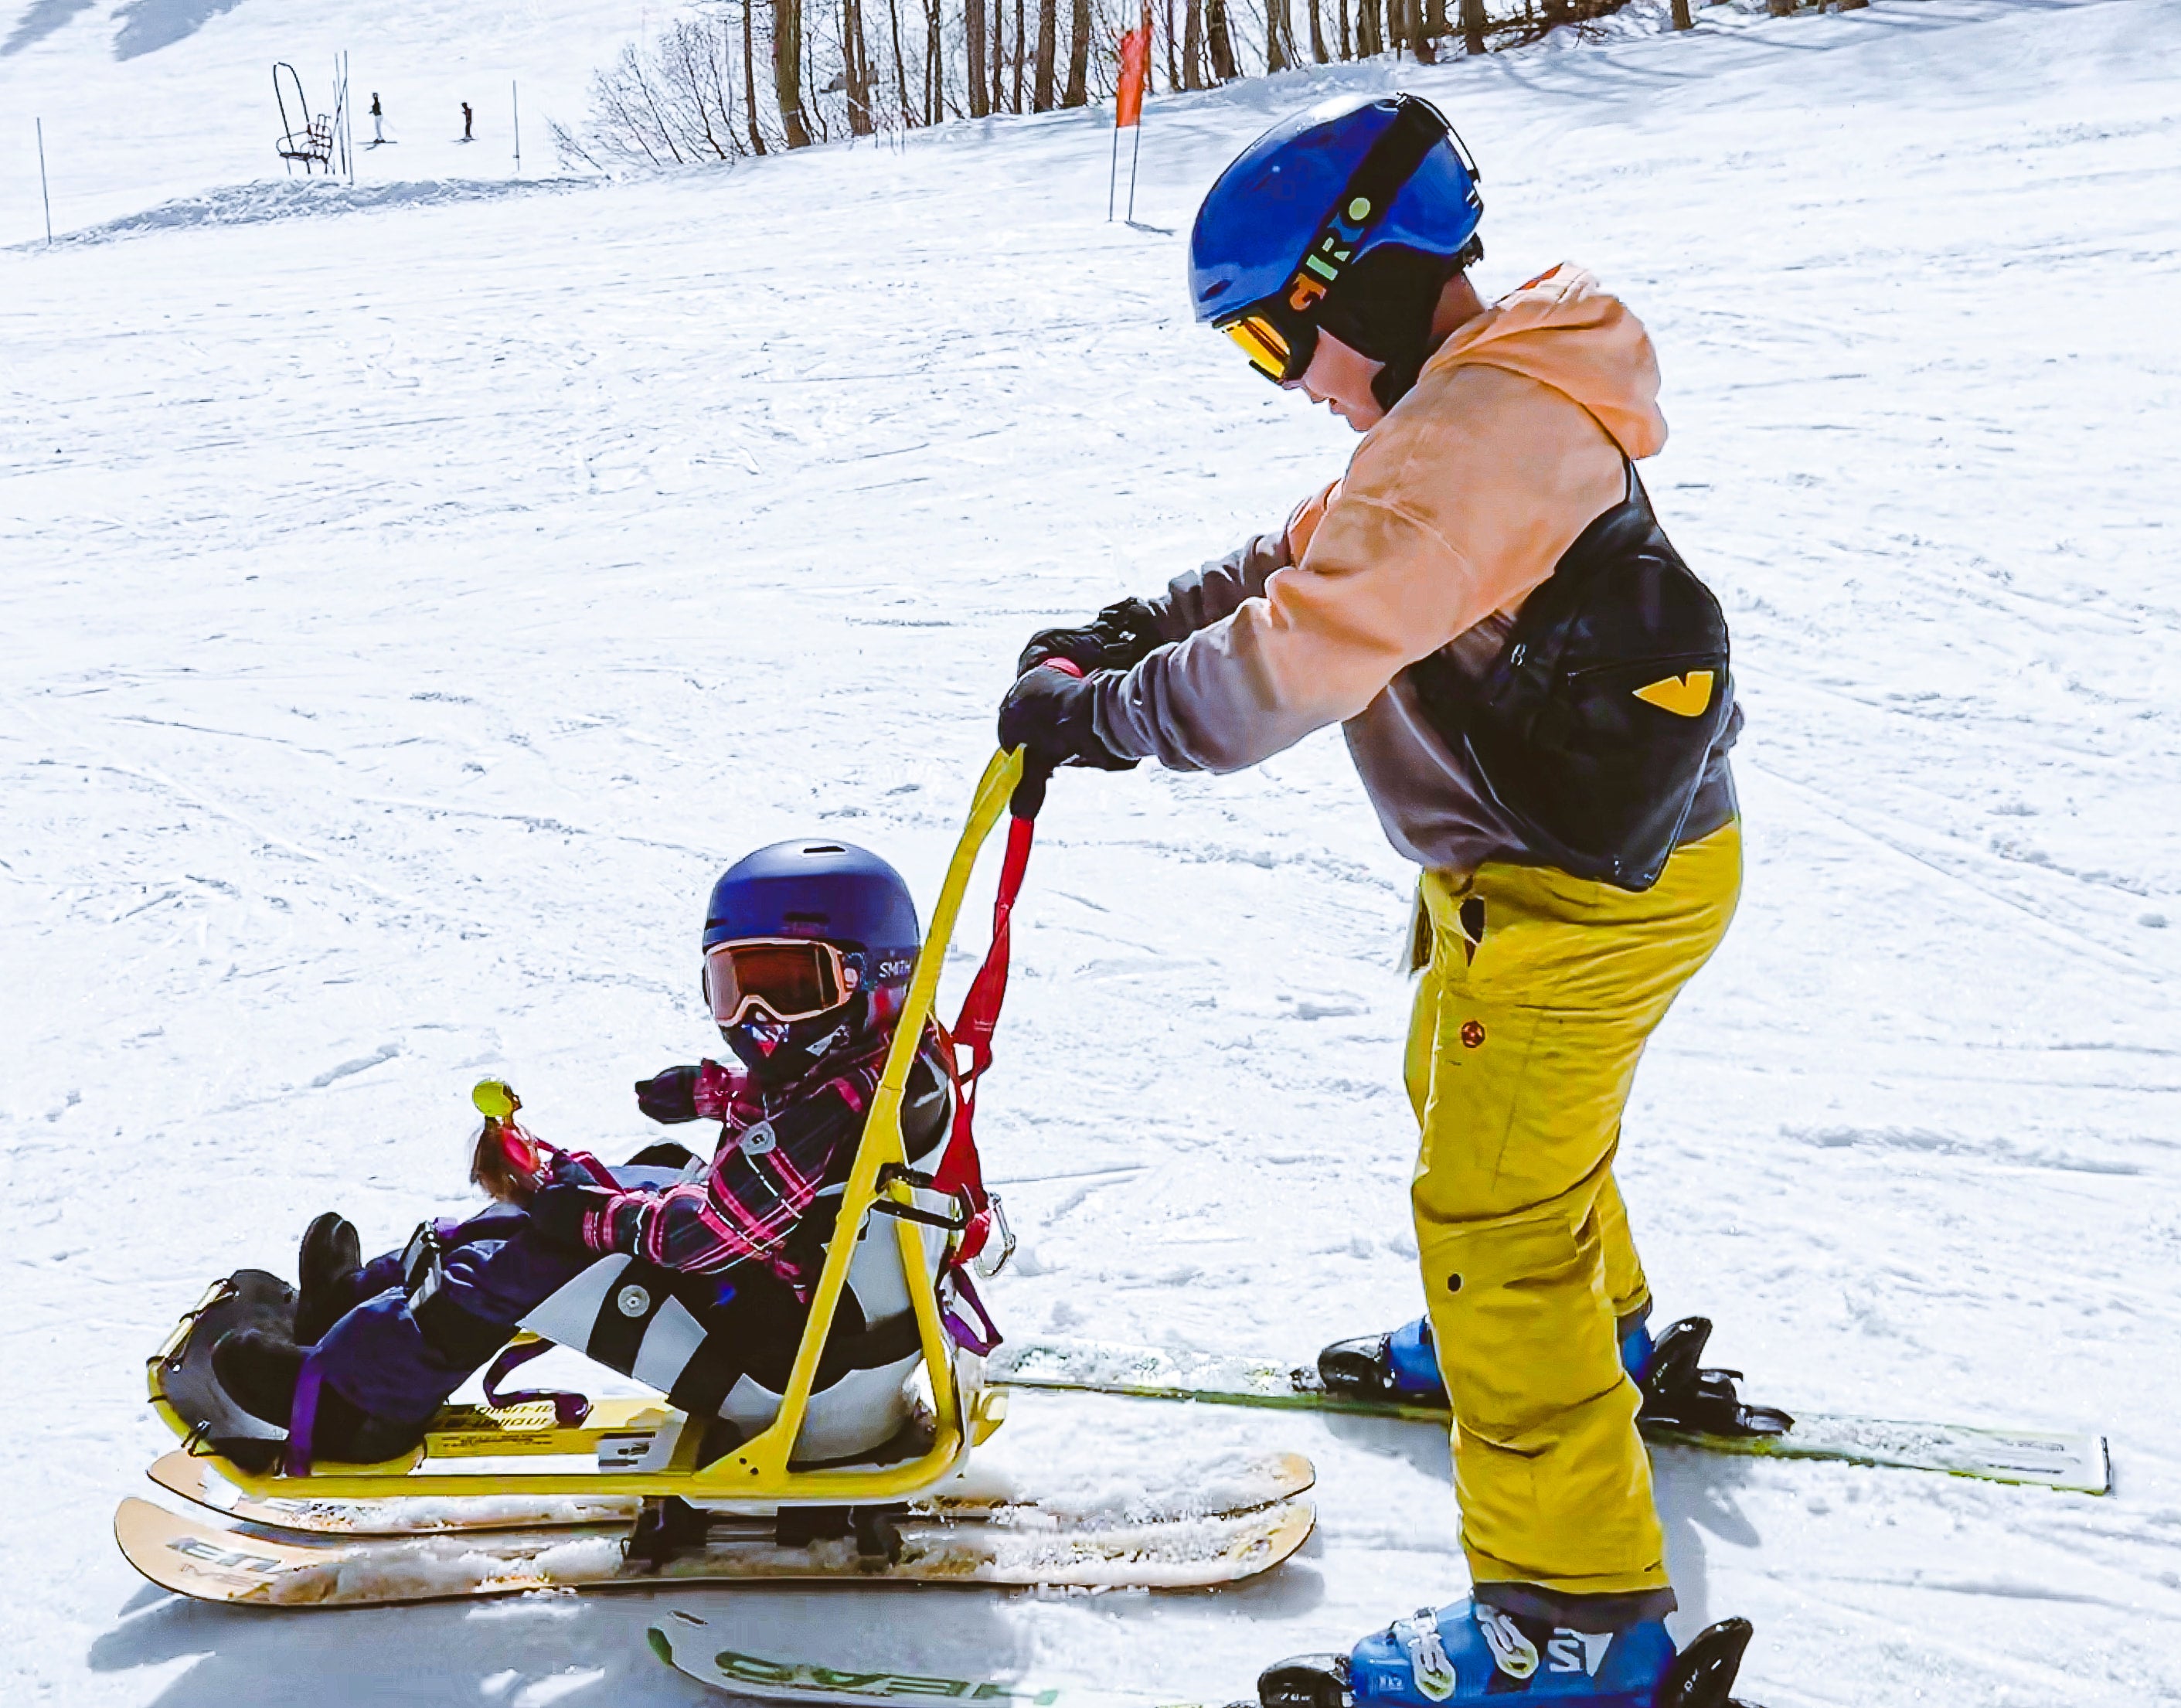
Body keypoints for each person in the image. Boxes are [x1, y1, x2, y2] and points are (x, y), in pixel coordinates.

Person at [998, 94, 1749, 1708]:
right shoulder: (1498, 389)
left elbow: (1285, 658)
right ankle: (1590, 1333)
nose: (1291, 384)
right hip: (1586, 866)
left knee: (1488, 1214)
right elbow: (1306, 552)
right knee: (1478, 1113)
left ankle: (1574, 1623)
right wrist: (1130, 623)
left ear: (1360, 288)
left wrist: (1108, 710)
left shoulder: (1455, 449)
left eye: (1281, 343)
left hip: (1571, 896)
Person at [213, 840, 957, 1468]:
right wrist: (713, 1094)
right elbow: (804, 1122)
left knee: (530, 1249)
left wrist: (573, 1210)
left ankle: (352, 1405)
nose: (753, 1019)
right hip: (841, 1333)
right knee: (649, 1169)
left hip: (794, 1373)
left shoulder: (830, 1107)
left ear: (878, 976)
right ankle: (350, 1311)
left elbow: (700, 1234)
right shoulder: (893, 1065)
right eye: (733, 987)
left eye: (792, 986)